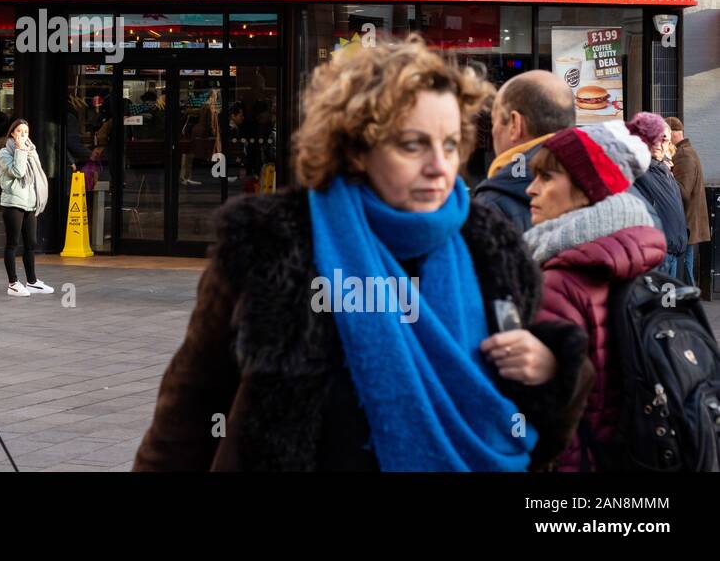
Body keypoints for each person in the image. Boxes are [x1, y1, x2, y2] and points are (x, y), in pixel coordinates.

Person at [135, 37, 590, 471]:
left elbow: (534, 426)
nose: (440, 166)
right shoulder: (273, 244)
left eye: (450, 144)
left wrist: (552, 369)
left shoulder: (492, 246)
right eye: (413, 144)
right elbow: (190, 412)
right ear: (355, 146)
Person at [524, 122, 665, 471]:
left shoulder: (558, 281)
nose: (530, 189)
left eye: (546, 177)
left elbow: (546, 415)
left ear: (588, 190)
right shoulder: (634, 259)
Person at [473, 71, 576, 235]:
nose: (493, 131)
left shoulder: (492, 205)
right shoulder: (614, 184)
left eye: (494, 122)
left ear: (515, 124)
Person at [626, 113, 689, 278]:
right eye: (655, 138)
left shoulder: (663, 170)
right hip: (655, 256)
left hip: (672, 254)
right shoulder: (638, 169)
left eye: (665, 140)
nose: (660, 144)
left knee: (668, 303)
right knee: (657, 303)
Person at [0, 119, 53, 297]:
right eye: (20, 131)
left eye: (26, 132)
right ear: (12, 133)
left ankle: (32, 281)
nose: (23, 135)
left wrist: (26, 150)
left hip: (29, 202)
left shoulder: (32, 151)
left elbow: (37, 174)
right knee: (12, 243)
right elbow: (18, 172)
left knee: (31, 243)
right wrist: (20, 150)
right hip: (13, 202)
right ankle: (13, 283)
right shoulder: (5, 152)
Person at [666, 117, 710, 287]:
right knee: (685, 263)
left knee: (683, 264)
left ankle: (688, 299)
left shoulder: (683, 154)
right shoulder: (687, 151)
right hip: (688, 220)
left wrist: (666, 174)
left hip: (686, 221)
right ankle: (689, 298)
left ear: (672, 134)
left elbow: (682, 191)